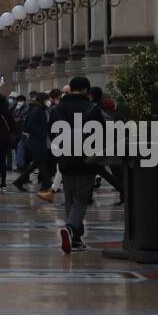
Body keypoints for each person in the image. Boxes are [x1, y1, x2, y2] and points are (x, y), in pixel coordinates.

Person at [51, 75, 107, 253]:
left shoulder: (58, 109)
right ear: (86, 90)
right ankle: (70, 229)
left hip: (65, 158)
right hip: (85, 159)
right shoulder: (92, 108)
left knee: (70, 197)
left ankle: (75, 239)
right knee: (81, 199)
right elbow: (100, 134)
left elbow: (52, 133)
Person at [13, 92, 51, 192]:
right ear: (43, 100)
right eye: (48, 99)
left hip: (37, 140)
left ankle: (19, 181)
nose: (49, 101)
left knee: (36, 163)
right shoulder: (38, 110)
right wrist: (41, 133)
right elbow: (31, 125)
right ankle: (46, 184)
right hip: (37, 141)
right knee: (41, 163)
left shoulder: (37, 109)